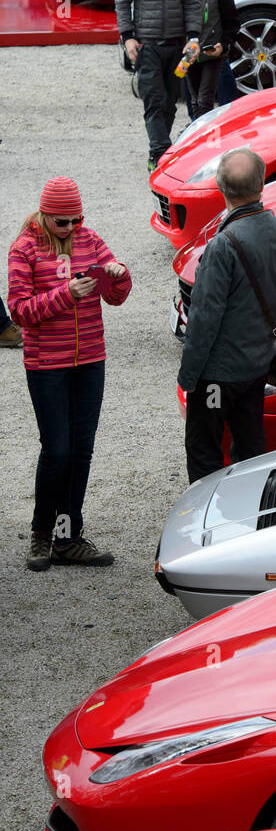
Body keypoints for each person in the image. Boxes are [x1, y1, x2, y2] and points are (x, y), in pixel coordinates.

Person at [7, 175, 131, 571]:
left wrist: (119, 274)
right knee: (57, 450)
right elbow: (19, 312)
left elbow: (116, 298)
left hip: (90, 360)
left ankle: (68, 536)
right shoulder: (24, 249)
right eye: (62, 222)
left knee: (81, 451)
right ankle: (41, 534)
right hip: (47, 366)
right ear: (44, 216)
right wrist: (65, 295)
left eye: (76, 219)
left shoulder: (89, 239)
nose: (71, 228)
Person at [177, 148, 276, 484]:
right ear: (262, 185)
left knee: (205, 454)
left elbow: (204, 320)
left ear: (221, 188)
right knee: (251, 446)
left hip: (217, 375)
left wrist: (188, 378)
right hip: (258, 364)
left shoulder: (222, 245)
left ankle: (206, 525)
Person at [115, 0, 201, 169]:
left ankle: (159, 151)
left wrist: (194, 36)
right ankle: (160, 155)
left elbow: (192, 0)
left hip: (177, 47)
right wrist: (127, 36)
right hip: (146, 45)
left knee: (169, 104)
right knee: (154, 101)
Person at [186, 0, 240, 116]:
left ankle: (202, 135)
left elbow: (232, 23)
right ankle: (196, 131)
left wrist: (223, 45)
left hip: (213, 54)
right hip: (188, 54)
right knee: (193, 99)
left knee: (205, 99)